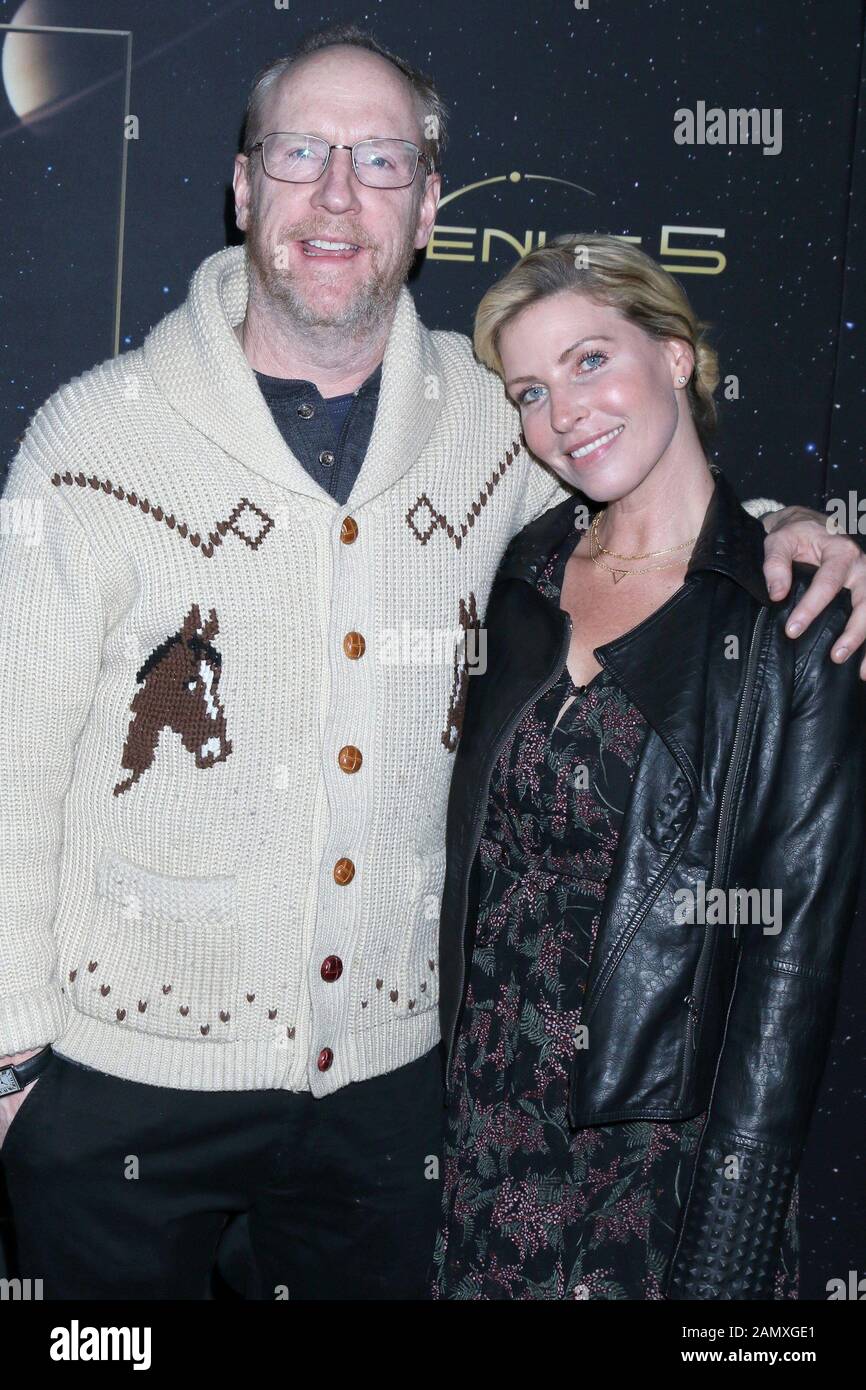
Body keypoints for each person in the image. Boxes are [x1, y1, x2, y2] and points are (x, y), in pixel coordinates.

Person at [1, 26, 864, 1302]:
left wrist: (794, 529)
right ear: (244, 188)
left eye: (381, 159)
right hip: (120, 1091)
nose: (337, 194)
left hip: (399, 1104)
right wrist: (11, 1067)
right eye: (300, 153)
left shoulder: (491, 415)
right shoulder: (91, 443)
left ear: (429, 206)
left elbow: (639, 489)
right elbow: (12, 758)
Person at [433, 233, 866, 1301]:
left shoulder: (793, 616)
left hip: (659, 1145)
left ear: (674, 354)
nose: (561, 412)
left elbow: (790, 963)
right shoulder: (518, 574)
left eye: (590, 360)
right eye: (529, 390)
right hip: (478, 1120)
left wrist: (732, 1228)